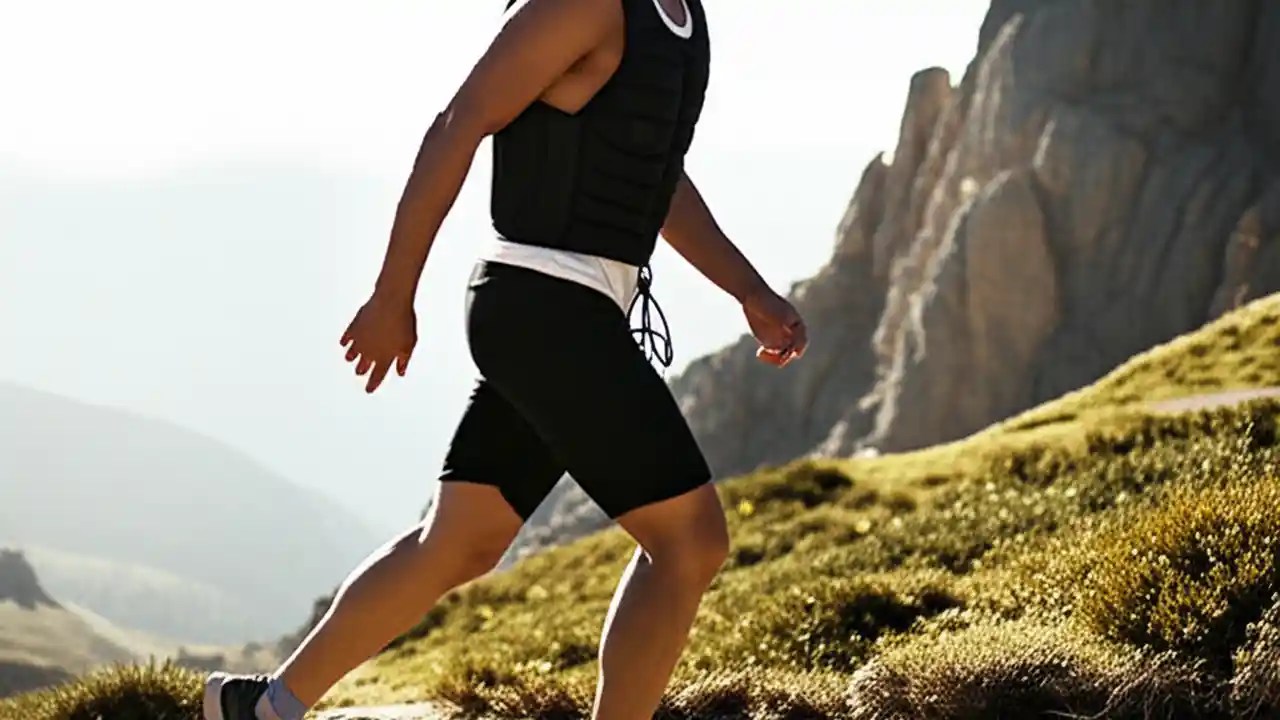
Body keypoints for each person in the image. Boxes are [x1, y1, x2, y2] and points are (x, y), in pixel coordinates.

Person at [202, 0, 807, 718]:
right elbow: (461, 121)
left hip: (567, 312)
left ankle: (263, 708)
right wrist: (392, 296)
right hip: (543, 304)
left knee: (461, 540)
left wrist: (750, 291)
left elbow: (656, 176)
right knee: (690, 543)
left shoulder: (680, 17)